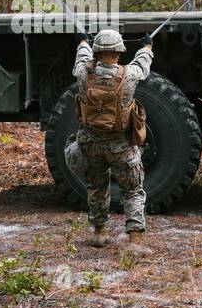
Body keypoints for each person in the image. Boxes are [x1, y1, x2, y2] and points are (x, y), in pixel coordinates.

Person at [66, 29, 154, 256]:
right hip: (121, 146)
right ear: (119, 51)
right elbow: (142, 64)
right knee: (132, 190)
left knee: (96, 187)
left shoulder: (83, 74)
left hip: (90, 144)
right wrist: (147, 47)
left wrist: (84, 41)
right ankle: (134, 241)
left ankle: (99, 234)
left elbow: (82, 58)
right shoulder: (129, 75)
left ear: (98, 51)